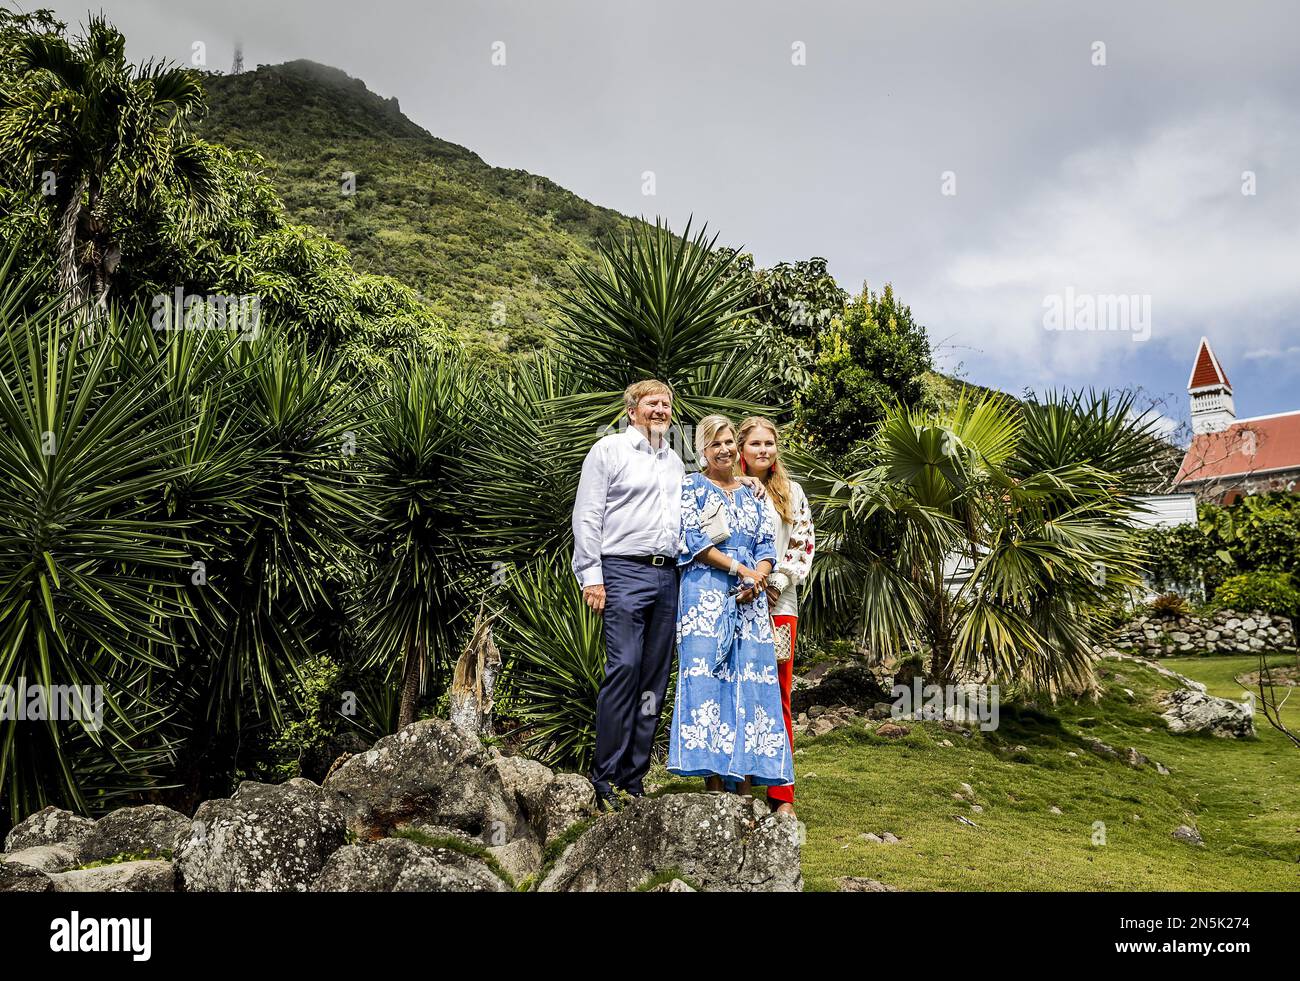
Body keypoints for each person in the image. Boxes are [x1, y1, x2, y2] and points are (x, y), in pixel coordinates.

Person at [666, 415, 794, 796]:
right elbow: (692, 542)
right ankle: (713, 779)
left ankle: (745, 779)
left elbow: (767, 545)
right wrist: (742, 569)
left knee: (752, 682)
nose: (724, 449)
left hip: (750, 602)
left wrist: (760, 575)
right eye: (714, 444)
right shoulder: (690, 488)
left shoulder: (753, 494)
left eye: (728, 442)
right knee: (707, 679)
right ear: (703, 451)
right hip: (704, 598)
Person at [572, 380, 683, 809]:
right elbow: (588, 515)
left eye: (666, 404)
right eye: (652, 403)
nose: (660, 410)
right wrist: (591, 576)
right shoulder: (610, 451)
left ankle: (633, 780)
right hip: (622, 571)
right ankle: (604, 778)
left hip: (667, 576)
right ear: (633, 409)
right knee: (625, 668)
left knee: (655, 677)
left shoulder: (674, 461)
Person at [737, 416, 815, 818]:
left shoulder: (792, 491)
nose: (764, 450)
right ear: (741, 448)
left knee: (778, 697)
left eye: (769, 443)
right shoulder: (728, 486)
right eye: (755, 444)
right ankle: (739, 784)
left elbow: (802, 548)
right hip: (733, 604)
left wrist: (773, 583)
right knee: (738, 696)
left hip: (778, 606)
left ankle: (781, 794)